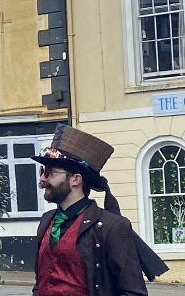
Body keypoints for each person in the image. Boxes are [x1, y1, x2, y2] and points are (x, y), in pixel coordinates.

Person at [31, 125, 154, 296]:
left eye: (50, 172)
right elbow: (41, 282)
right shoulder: (46, 221)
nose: (42, 179)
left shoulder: (111, 226)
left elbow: (134, 292)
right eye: (42, 171)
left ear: (75, 179)